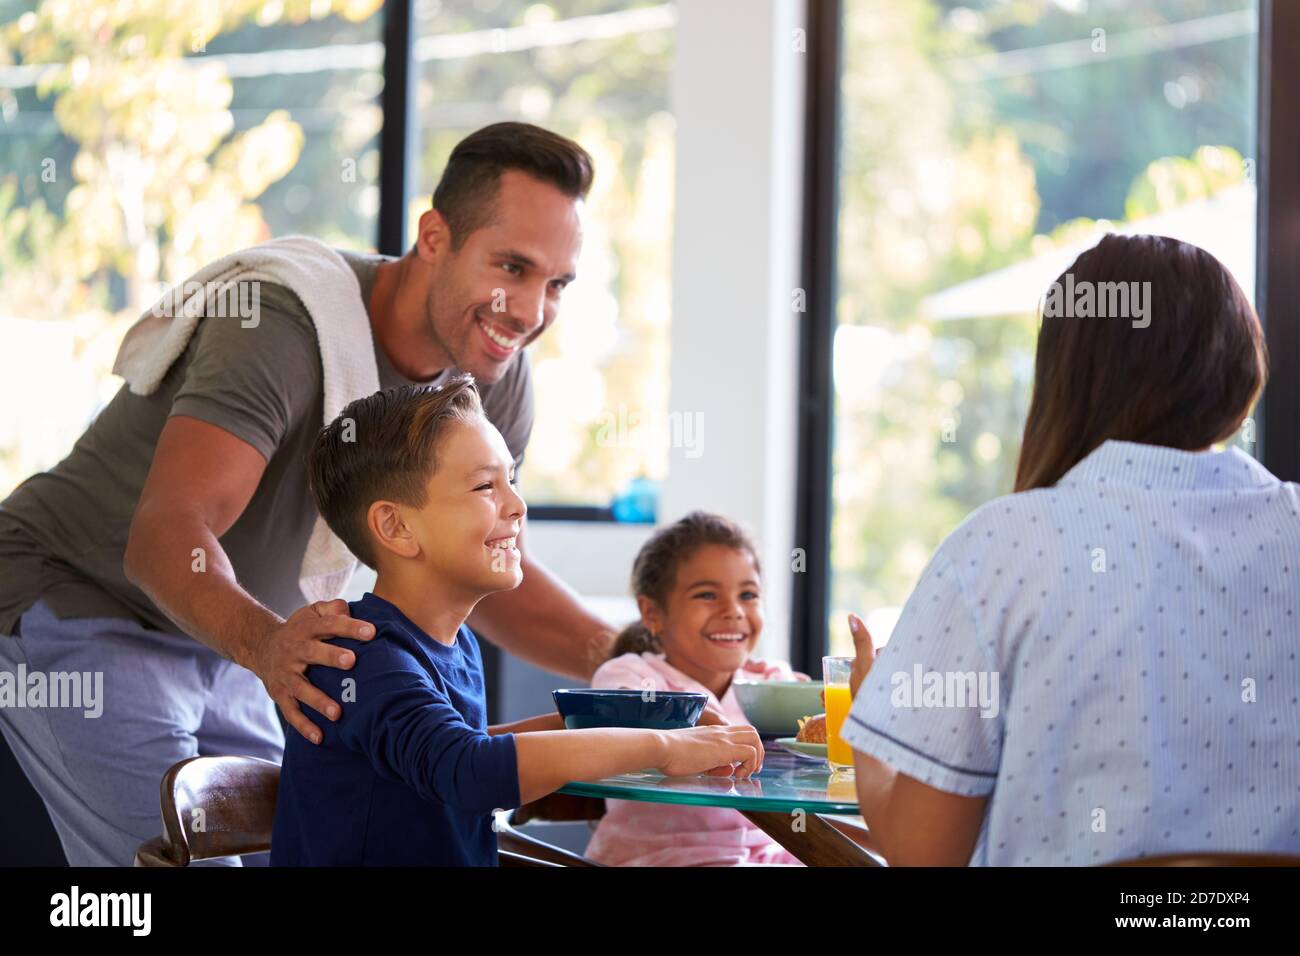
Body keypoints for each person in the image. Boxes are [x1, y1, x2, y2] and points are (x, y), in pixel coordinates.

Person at [0, 123, 626, 866]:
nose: (528, 311)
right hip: (83, 599)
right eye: (512, 267)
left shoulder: (492, 375)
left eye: (555, 284)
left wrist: (635, 660)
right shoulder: (282, 322)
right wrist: (266, 644)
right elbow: (169, 532)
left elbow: (483, 550)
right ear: (434, 236)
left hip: (230, 640)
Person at [841, 233, 1299, 865]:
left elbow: (924, 855)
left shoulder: (1000, 548)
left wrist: (870, 721)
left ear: (1066, 373)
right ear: (1239, 363)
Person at [271, 377, 763, 866]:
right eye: (486, 485)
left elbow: (471, 746)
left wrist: (627, 719)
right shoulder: (358, 657)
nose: (518, 506)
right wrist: (661, 746)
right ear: (396, 527)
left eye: (513, 480)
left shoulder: (453, 644)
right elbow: (469, 770)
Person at [584, 512, 805, 866]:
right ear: (653, 613)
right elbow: (622, 735)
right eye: (706, 595)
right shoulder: (629, 676)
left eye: (748, 594)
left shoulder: (774, 685)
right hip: (662, 858)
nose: (733, 611)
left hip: (769, 856)